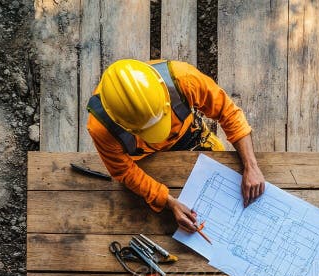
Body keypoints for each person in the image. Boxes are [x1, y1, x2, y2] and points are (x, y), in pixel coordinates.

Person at [87, 58, 266, 232]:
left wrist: (251, 165)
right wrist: (168, 201)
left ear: (163, 93)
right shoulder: (100, 127)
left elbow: (228, 112)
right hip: (146, 166)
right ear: (121, 122)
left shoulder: (183, 79)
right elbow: (124, 171)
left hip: (193, 138)